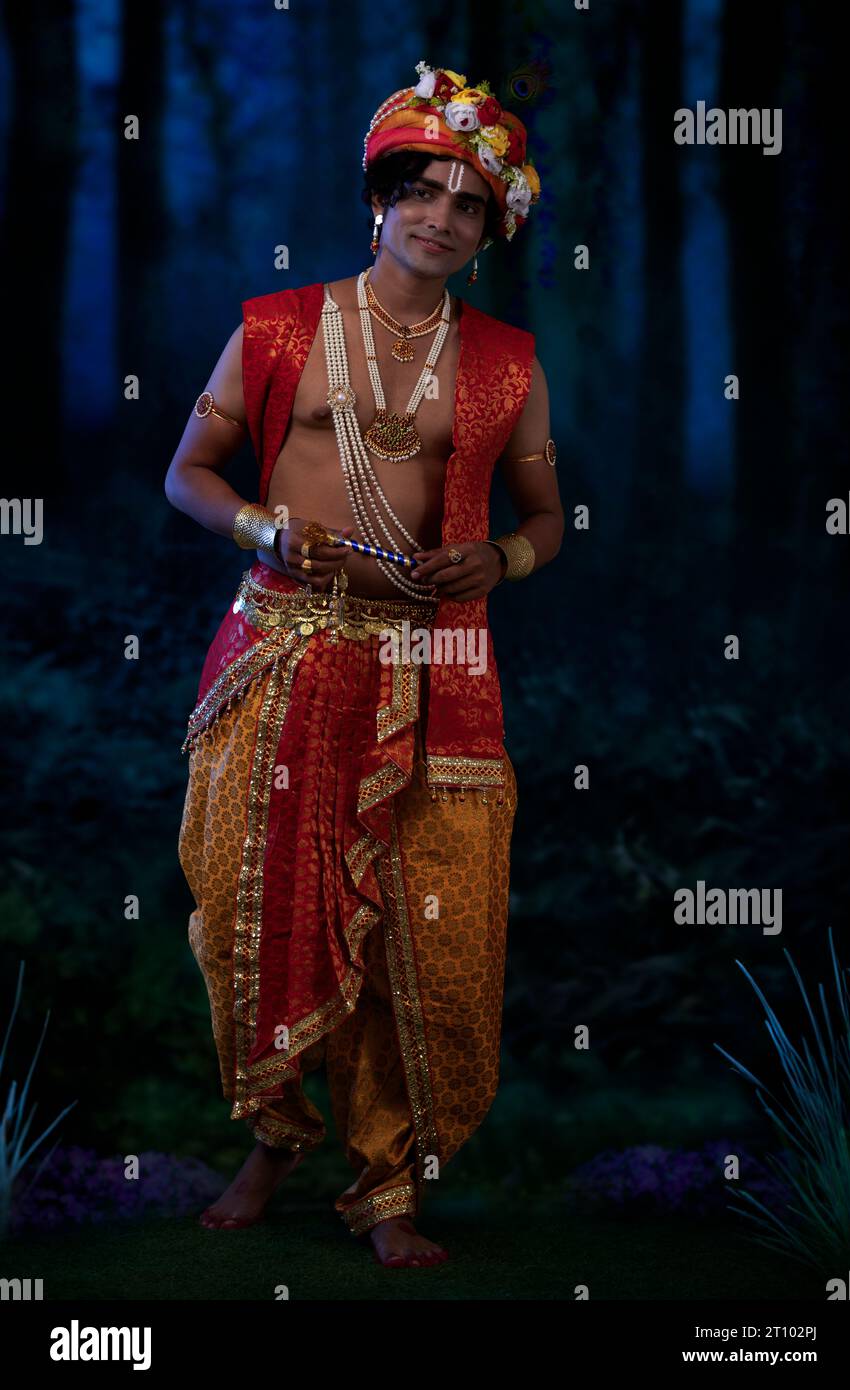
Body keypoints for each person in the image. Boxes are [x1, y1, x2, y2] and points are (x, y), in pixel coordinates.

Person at [165, 60, 564, 1269]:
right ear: (377, 203)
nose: (440, 218)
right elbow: (189, 475)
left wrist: (504, 558)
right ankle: (273, 1134)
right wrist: (262, 527)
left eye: (466, 204)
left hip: (431, 663)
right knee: (253, 907)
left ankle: (389, 1186)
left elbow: (546, 515)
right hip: (281, 649)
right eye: (420, 195)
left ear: (490, 229)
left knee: (410, 929)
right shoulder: (278, 327)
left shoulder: (505, 361)